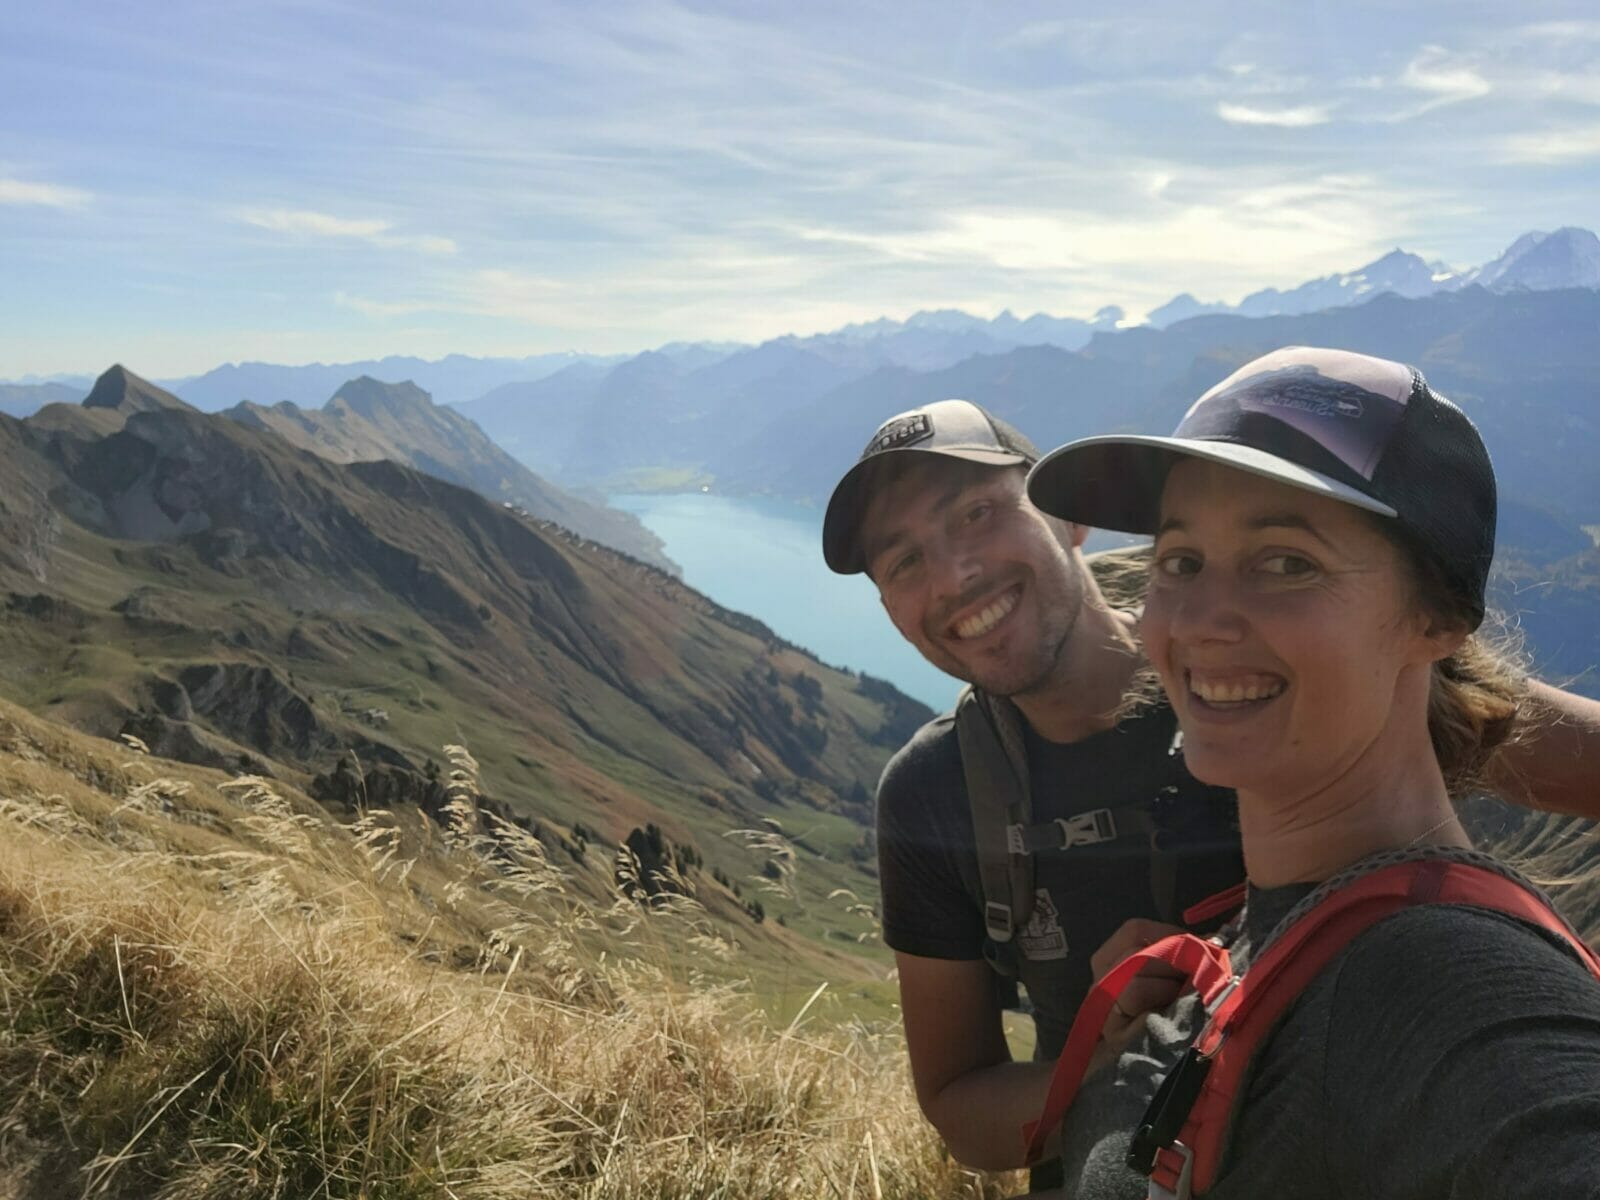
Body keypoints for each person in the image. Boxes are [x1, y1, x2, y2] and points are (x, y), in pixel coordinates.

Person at [820, 388, 1600, 1181]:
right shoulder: (933, 794)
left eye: (976, 514)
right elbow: (961, 1105)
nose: (953, 576)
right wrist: (1128, 1066)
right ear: (887, 603)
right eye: (904, 560)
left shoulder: (1274, 672)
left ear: (1066, 518)